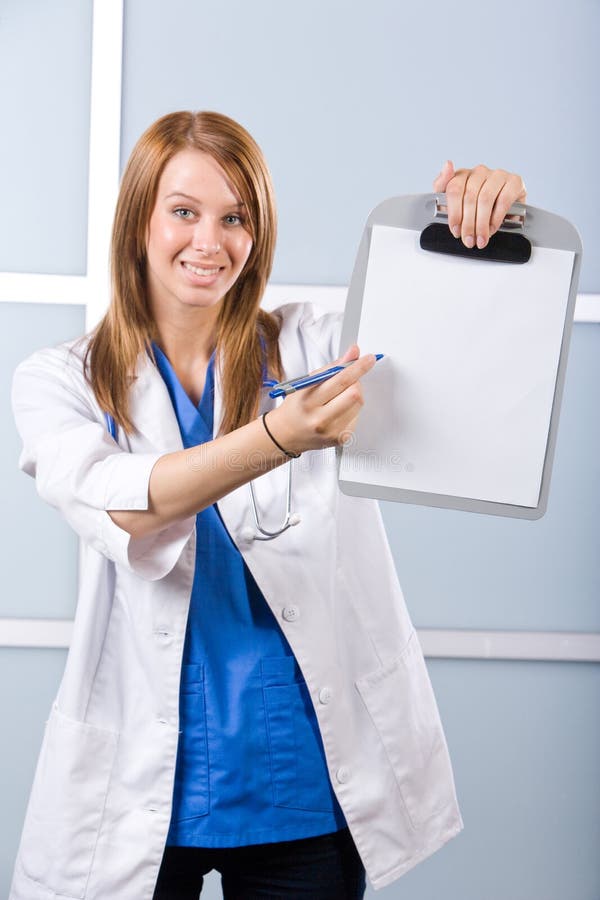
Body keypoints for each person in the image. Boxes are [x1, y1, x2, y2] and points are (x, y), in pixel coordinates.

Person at [9, 110, 526, 900]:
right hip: (139, 789)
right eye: (184, 211)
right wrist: (278, 438)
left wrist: (478, 228)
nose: (209, 242)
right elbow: (129, 509)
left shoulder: (315, 349)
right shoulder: (62, 381)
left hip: (300, 776)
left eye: (235, 218)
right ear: (138, 222)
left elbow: (460, 347)